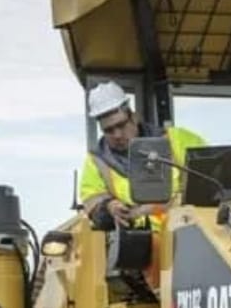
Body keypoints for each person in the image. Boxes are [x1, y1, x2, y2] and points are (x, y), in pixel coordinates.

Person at [78, 80, 206, 230]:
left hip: (186, 231)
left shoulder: (179, 140)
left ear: (134, 117)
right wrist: (109, 207)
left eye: (121, 125)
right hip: (136, 240)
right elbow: (93, 203)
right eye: (109, 130)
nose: (117, 135)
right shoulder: (96, 161)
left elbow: (210, 183)